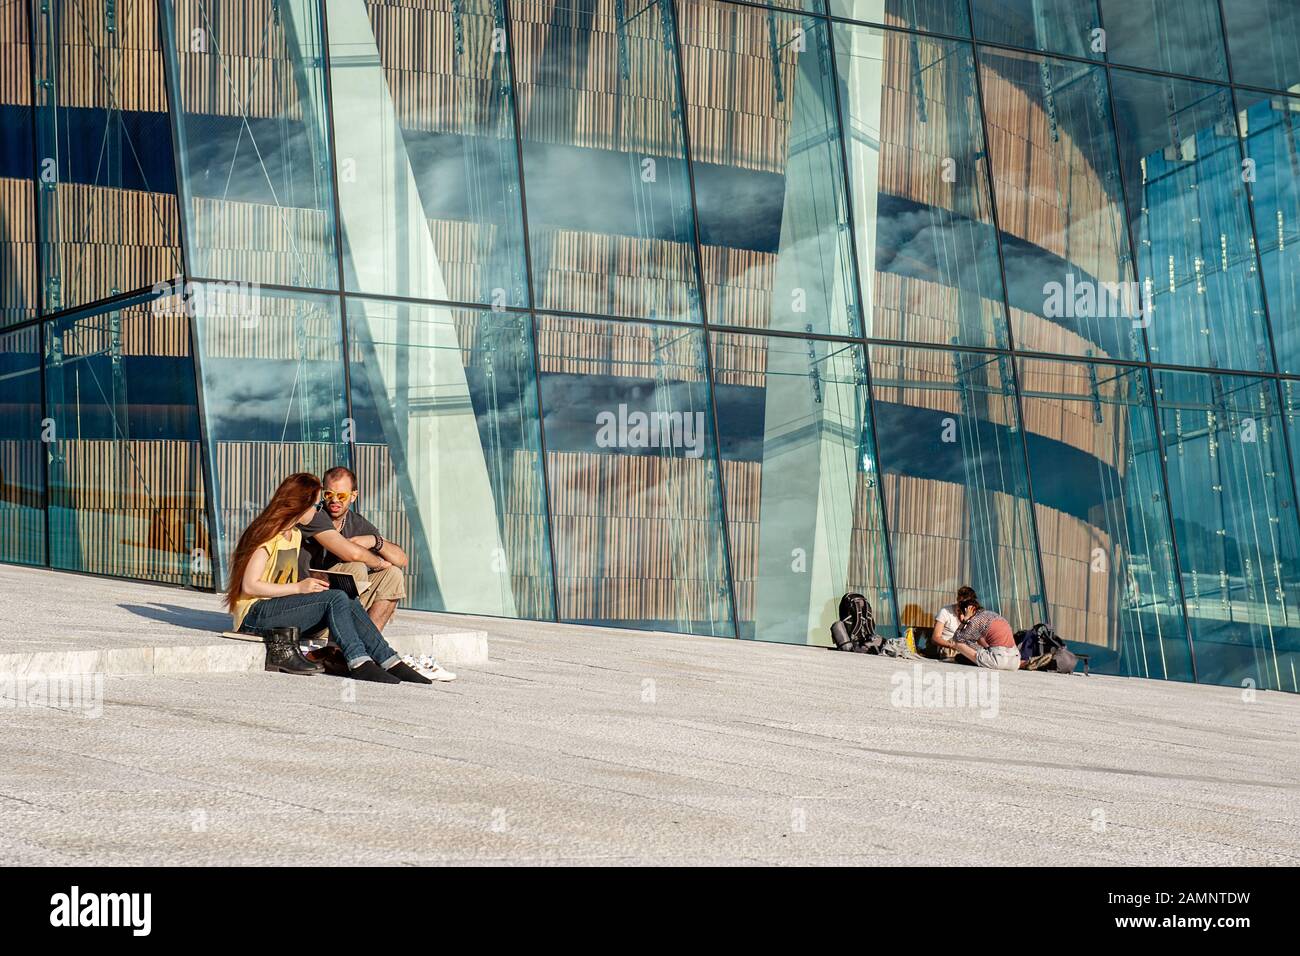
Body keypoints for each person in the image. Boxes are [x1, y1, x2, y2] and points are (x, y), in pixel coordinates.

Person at [226, 472, 432, 685]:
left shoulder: (294, 535)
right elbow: (249, 585)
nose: (318, 511)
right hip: (253, 616)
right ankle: (358, 661)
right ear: (301, 505)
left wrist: (310, 586)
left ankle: (389, 659)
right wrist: (299, 588)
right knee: (335, 597)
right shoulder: (267, 534)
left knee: (344, 596)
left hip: (279, 610)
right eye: (316, 505)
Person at [299, 466, 407, 632]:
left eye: (341, 495)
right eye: (329, 494)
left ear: (353, 496)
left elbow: (401, 560)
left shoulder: (356, 522)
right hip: (306, 605)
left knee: (393, 575)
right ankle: (336, 648)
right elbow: (352, 553)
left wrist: (373, 540)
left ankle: (371, 641)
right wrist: (377, 562)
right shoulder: (314, 516)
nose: (335, 500)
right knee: (354, 567)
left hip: (336, 604)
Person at [948, 598, 1020, 671]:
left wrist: (965, 619)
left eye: (963, 613)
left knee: (959, 649)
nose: (961, 616)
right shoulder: (992, 615)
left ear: (968, 610)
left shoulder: (975, 620)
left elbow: (957, 639)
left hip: (998, 660)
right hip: (1015, 661)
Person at [929, 586, 977, 662]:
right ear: (958, 600)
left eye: (967, 604)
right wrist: (954, 646)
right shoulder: (945, 611)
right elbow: (935, 638)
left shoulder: (972, 614)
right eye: (962, 603)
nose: (964, 606)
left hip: (966, 649)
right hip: (949, 649)